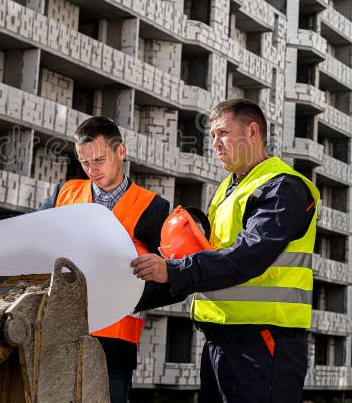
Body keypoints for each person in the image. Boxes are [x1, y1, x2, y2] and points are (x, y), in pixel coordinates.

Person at [0, 116, 169, 403]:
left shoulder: (153, 208)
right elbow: (20, 246)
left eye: (99, 160)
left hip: (113, 347)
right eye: (85, 162)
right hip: (54, 335)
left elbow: (170, 280)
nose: (92, 170)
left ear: (121, 152)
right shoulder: (63, 194)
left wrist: (126, 290)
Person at [131, 98, 318, 403]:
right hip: (221, 341)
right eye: (212, 137)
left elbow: (249, 255)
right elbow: (205, 260)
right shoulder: (227, 190)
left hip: (263, 343)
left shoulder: (284, 187)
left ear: (253, 132)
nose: (215, 144)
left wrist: (174, 271)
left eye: (223, 134)